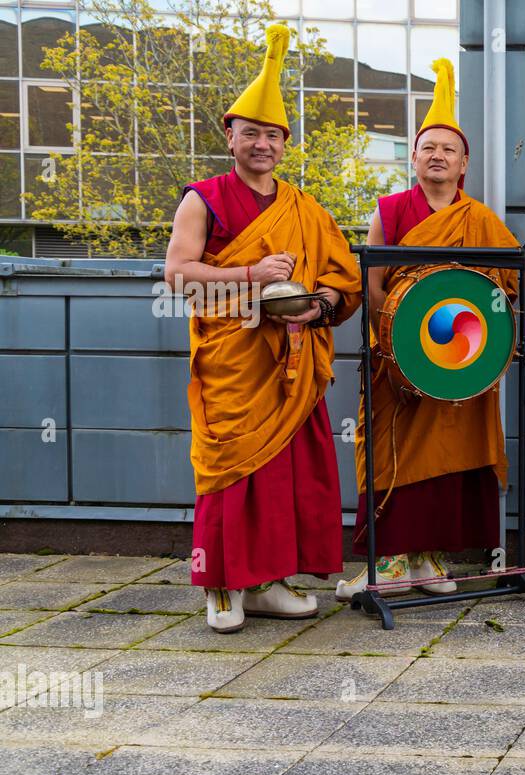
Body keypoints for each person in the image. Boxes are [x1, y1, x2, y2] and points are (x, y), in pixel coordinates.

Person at [165, 24, 361, 633]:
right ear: (230, 136)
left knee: (288, 473)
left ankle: (272, 581)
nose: (261, 144)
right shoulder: (204, 199)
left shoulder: (306, 207)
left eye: (272, 135)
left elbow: (342, 277)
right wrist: (252, 273)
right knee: (230, 471)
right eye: (250, 133)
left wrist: (320, 307)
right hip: (233, 359)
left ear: (284, 143)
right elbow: (178, 278)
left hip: (292, 361)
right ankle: (222, 587)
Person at [335, 59, 520, 601]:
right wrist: (394, 345)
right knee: (390, 449)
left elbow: (507, 283)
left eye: (449, 149)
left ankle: (432, 560)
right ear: (413, 157)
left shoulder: (479, 218)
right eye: (428, 147)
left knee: (450, 455)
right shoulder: (390, 210)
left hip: (461, 357)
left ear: (465, 163)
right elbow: (372, 285)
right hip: (398, 358)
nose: (437, 156)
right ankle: (389, 562)